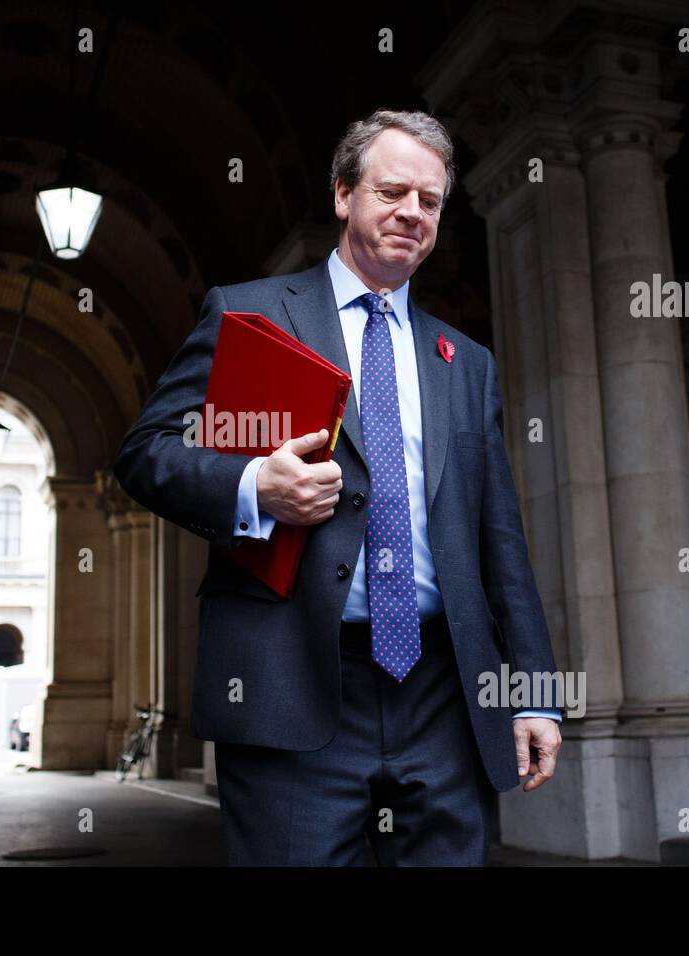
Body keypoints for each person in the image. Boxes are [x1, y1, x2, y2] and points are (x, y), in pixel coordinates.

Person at [113, 109, 562, 866]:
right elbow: (146, 453)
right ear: (342, 195)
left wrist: (536, 691)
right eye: (391, 192)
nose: (411, 214)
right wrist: (256, 484)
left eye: (430, 201)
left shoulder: (467, 361)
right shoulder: (248, 313)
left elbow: (500, 537)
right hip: (294, 682)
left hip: (444, 694)